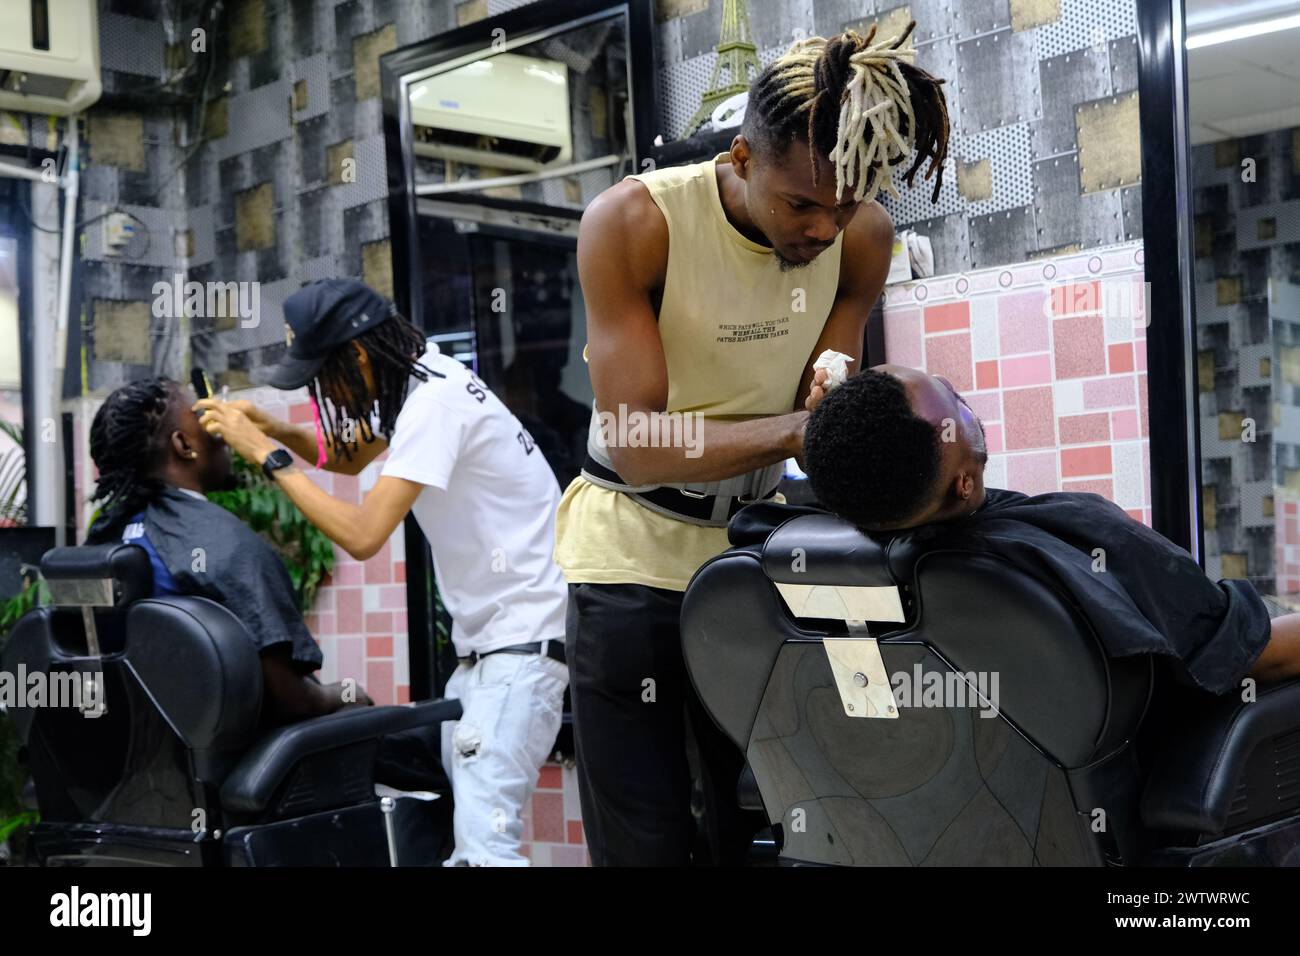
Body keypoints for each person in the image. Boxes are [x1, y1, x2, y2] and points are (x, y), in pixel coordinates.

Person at [553, 23, 951, 865]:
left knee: (766, 821)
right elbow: (635, 445)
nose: (820, 229)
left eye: (840, 206)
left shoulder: (864, 238)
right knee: (648, 841)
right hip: (630, 557)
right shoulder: (636, 222)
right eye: (799, 204)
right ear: (740, 159)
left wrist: (836, 411)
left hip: (751, 559)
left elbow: (827, 387)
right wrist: (804, 429)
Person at [195, 278, 568, 867]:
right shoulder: (426, 380)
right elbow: (353, 455)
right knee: (467, 844)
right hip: (492, 654)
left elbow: (365, 536)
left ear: (361, 355)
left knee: (486, 853)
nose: (325, 392)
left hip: (517, 655)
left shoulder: (433, 406)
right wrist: (272, 426)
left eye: (325, 375)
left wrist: (266, 455)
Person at [799, 365, 1300, 693]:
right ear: (962, 485)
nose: (964, 400)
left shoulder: (819, 565)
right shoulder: (1081, 533)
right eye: (957, 405)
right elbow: (1254, 661)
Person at [85, 377, 372, 726]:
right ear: (184, 445)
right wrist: (346, 692)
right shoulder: (224, 543)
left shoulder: (101, 542)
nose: (220, 433)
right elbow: (291, 700)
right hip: (237, 763)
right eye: (203, 418)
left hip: (136, 762)